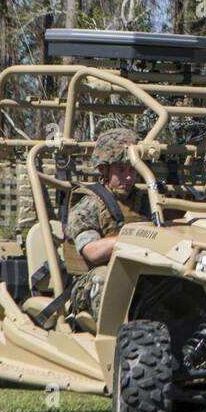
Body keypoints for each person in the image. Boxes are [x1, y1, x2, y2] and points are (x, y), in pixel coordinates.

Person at [65, 127, 148, 318]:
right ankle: (112, 337)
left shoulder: (144, 202)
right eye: (121, 170)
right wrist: (136, 238)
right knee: (104, 278)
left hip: (137, 274)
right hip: (91, 281)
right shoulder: (89, 204)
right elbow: (92, 253)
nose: (128, 177)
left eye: (132, 170)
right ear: (104, 169)